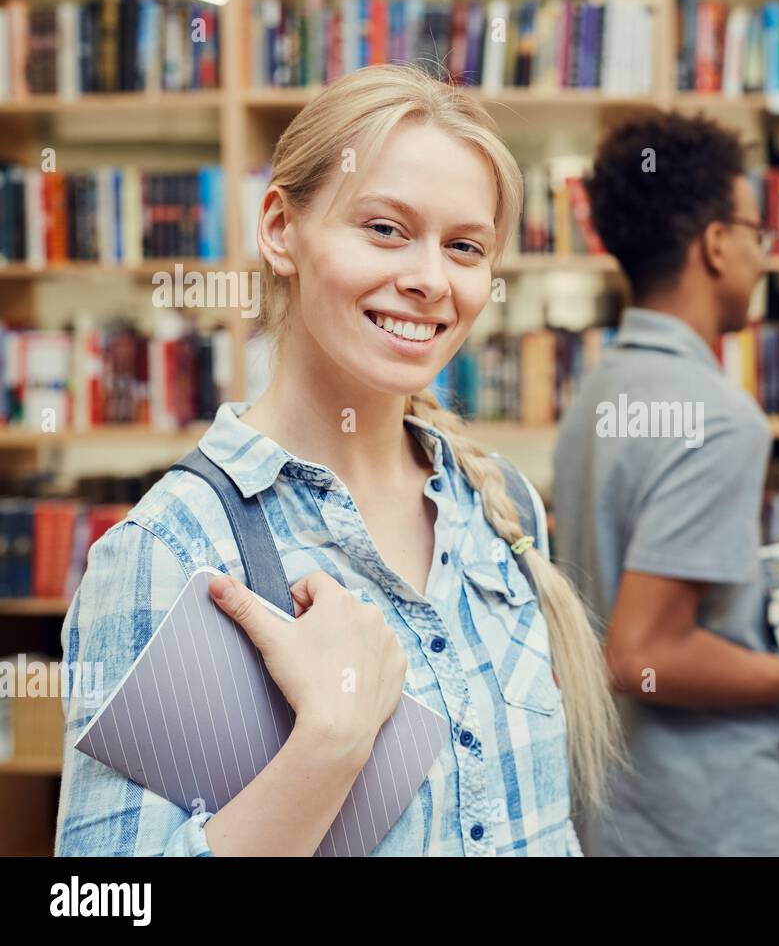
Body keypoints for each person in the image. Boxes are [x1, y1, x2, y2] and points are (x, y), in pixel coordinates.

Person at [55, 64, 618, 857]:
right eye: (385, 229)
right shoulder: (172, 551)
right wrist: (328, 746)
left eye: (464, 246)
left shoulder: (505, 506)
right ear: (280, 229)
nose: (430, 280)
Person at [551, 111, 779, 857]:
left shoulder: (596, 392)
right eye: (757, 231)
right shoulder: (718, 416)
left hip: (613, 804)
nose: (764, 253)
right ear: (716, 244)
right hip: (706, 817)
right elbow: (641, 654)